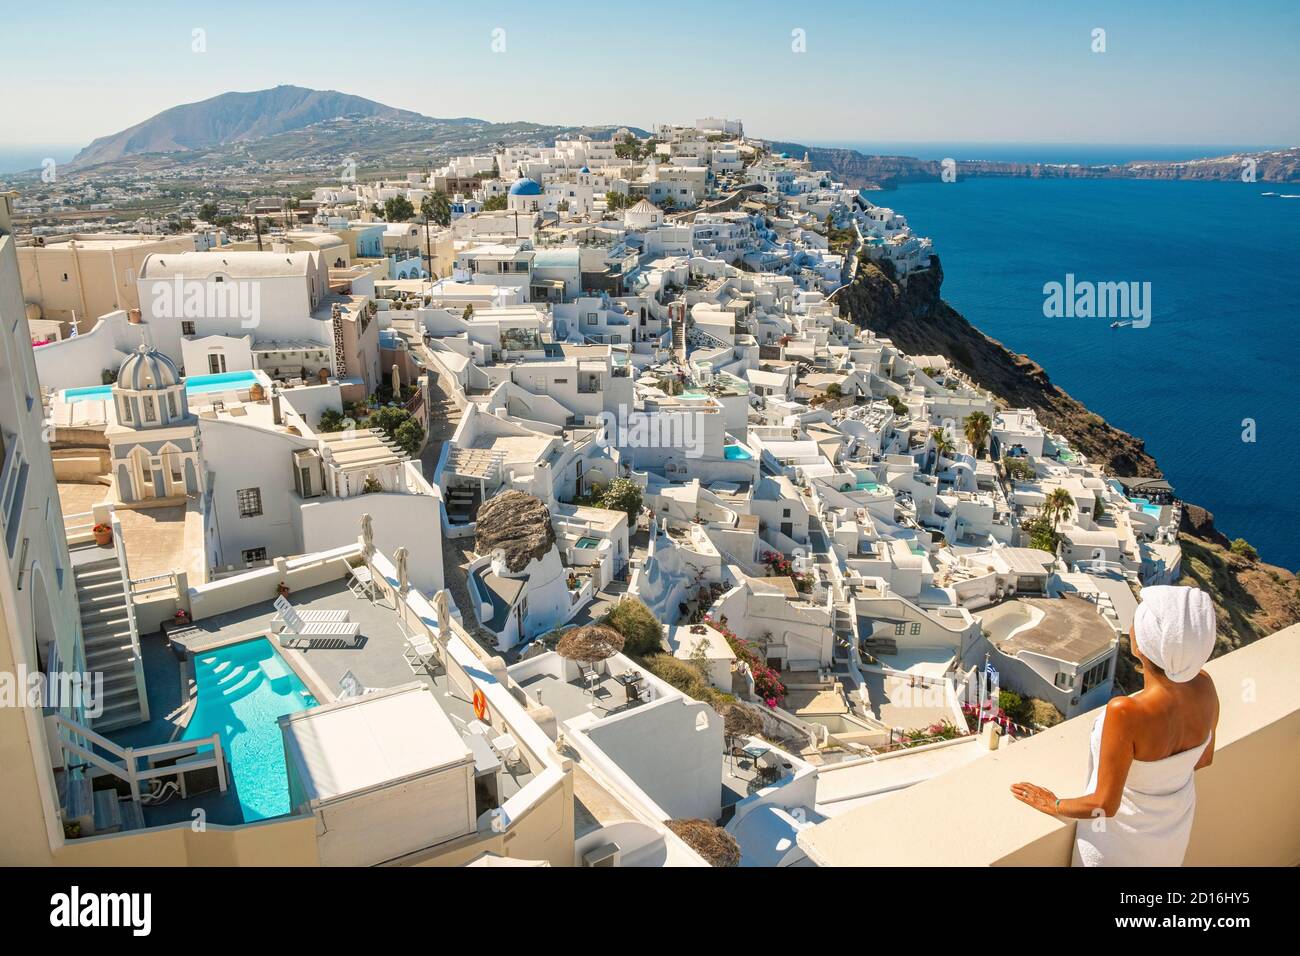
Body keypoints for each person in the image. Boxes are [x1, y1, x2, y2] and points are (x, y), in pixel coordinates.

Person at [1010, 585, 1219, 866]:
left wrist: (1053, 804)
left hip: (1119, 845)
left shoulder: (1126, 711)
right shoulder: (1205, 686)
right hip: (1170, 836)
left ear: (1143, 644)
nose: (1130, 627)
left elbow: (1104, 805)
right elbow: (1204, 758)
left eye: (1137, 622)